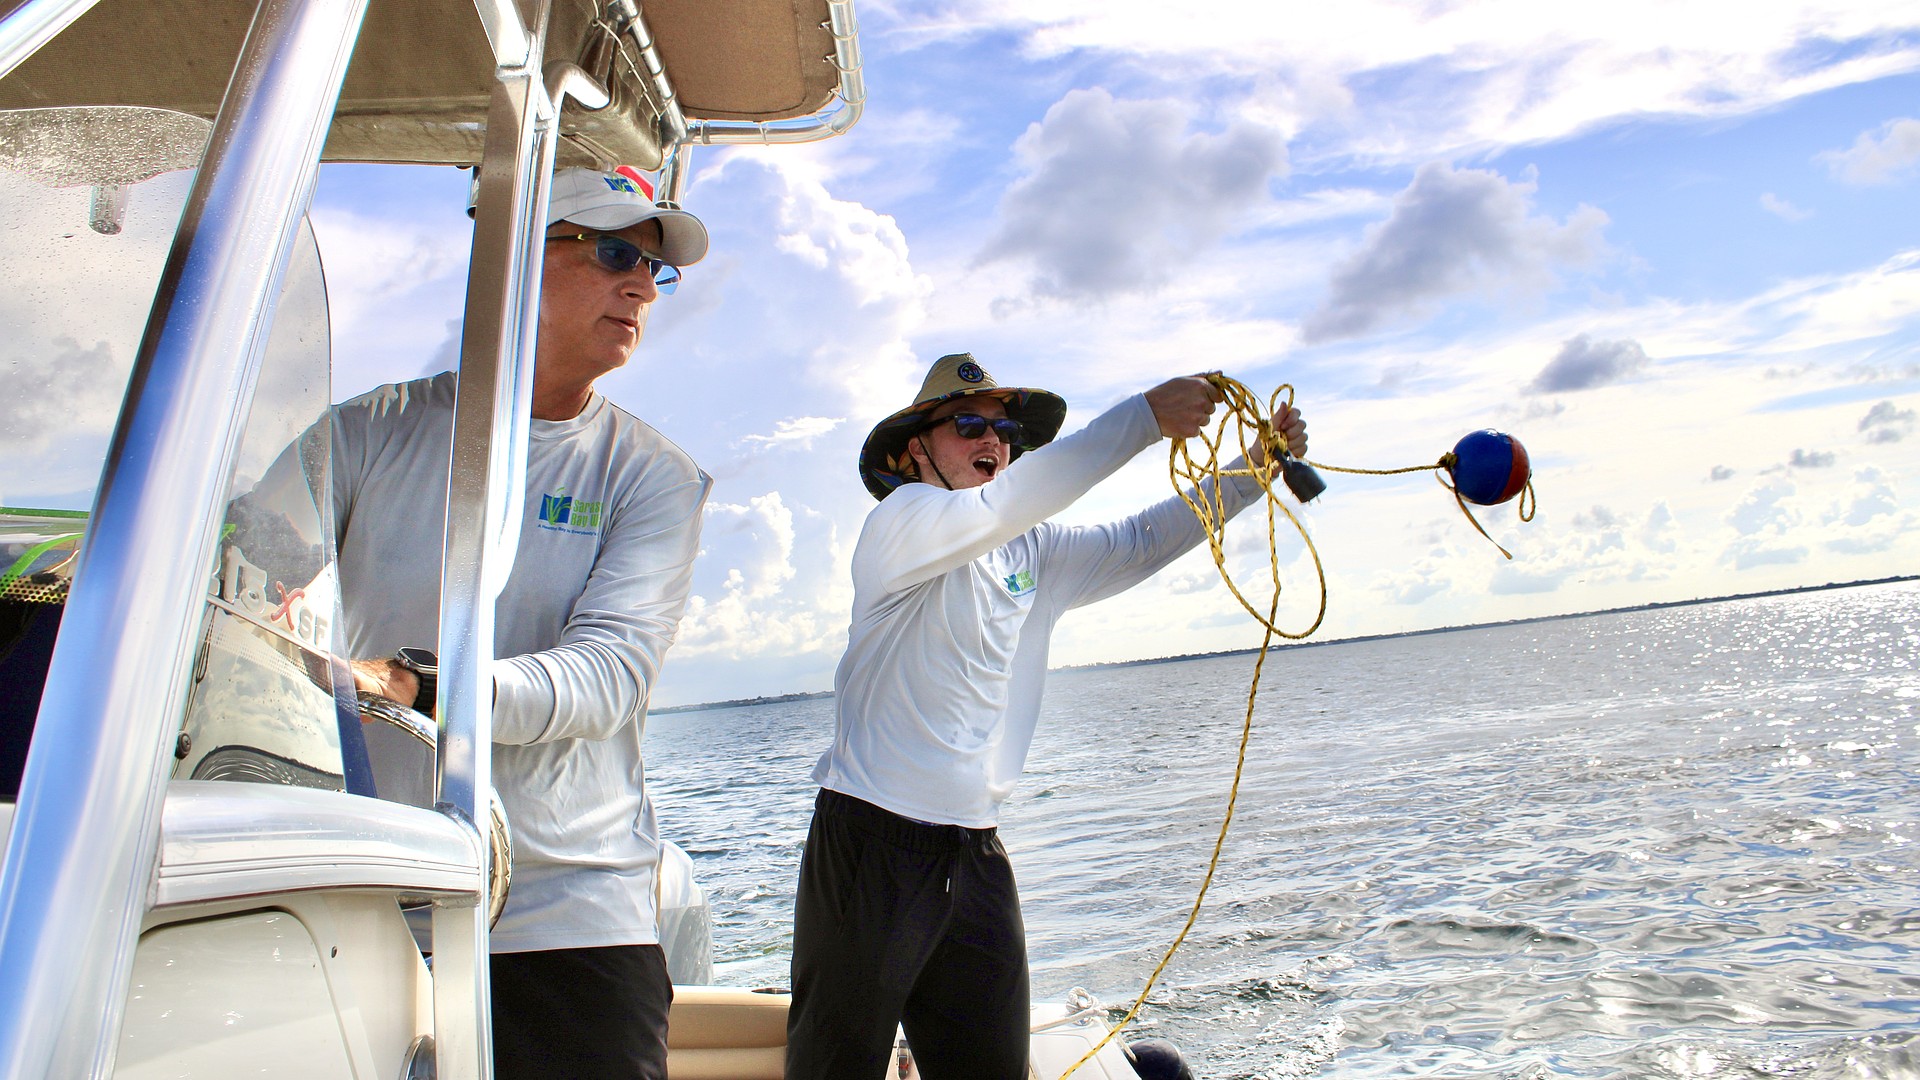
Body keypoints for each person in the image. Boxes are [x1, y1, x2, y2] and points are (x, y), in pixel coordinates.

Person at [785, 352, 1307, 1079]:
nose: (992, 441)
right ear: (913, 451)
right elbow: (1008, 503)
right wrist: (1141, 421)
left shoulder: (1028, 550)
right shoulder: (900, 522)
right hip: (870, 846)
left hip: (976, 857)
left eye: (1004, 431)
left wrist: (1254, 468)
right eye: (968, 424)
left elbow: (1138, 542)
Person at [334, 166, 712, 1080]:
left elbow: (609, 675)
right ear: (513, 259)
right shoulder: (366, 433)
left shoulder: (654, 476)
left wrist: (417, 685)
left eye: (653, 270)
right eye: (614, 251)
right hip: (364, 895)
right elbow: (244, 581)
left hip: (570, 912)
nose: (638, 286)